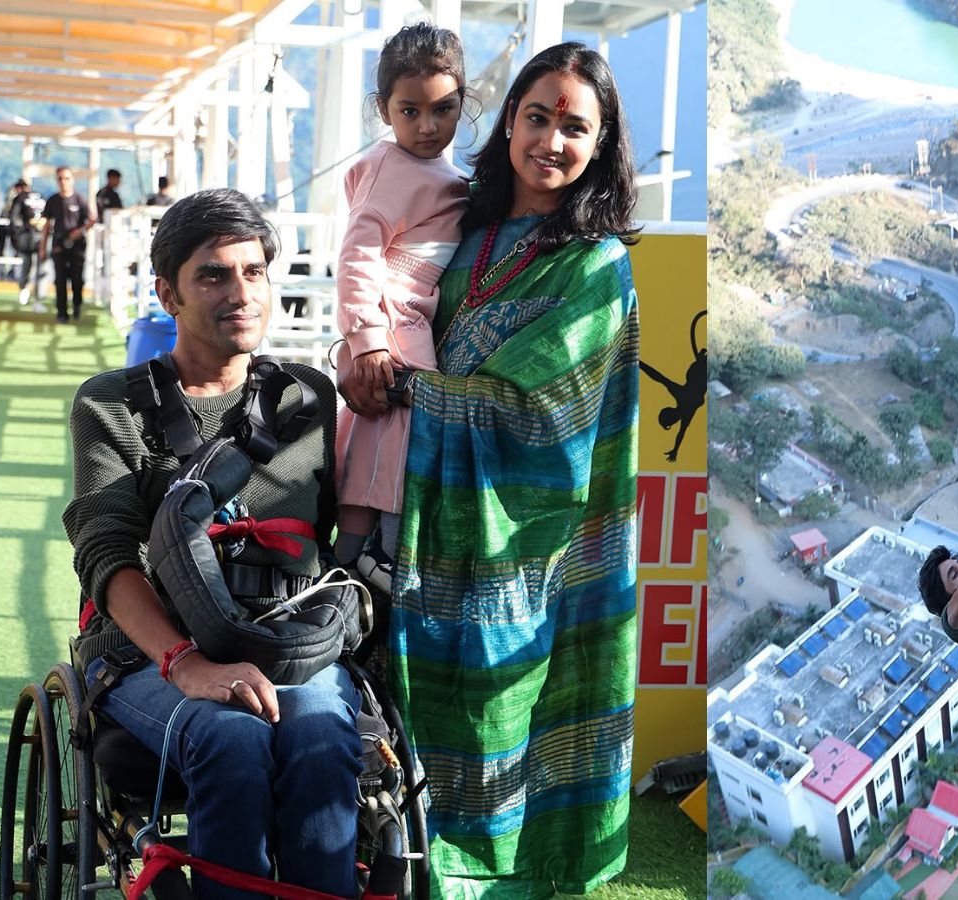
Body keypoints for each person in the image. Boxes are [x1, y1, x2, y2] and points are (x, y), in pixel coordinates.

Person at [345, 42, 641, 897]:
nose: (551, 140)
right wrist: (356, 352)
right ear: (507, 118)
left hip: (522, 542)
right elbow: (384, 285)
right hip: (410, 505)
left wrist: (411, 391)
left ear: (601, 141)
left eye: (575, 127)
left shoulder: (595, 263)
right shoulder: (463, 222)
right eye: (537, 116)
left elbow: (544, 418)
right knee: (391, 725)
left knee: (498, 718)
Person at [63, 188, 360, 900]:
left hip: (288, 638)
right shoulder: (111, 406)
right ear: (168, 291)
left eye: (254, 271)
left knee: (319, 739)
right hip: (150, 653)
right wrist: (185, 662)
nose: (242, 292)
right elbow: (106, 553)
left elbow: (351, 526)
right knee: (230, 739)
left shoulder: (307, 398)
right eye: (214, 274)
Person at [331, 22, 469, 589]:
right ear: (384, 110)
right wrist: (367, 339)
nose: (428, 125)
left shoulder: (440, 174)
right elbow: (358, 256)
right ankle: (378, 561)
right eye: (409, 110)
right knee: (396, 448)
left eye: (444, 109)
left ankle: (352, 562)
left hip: (408, 324)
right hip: (396, 329)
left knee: (374, 453)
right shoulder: (391, 168)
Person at [39, 167, 94, 323]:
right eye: (60, 179)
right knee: (60, 279)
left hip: (77, 246)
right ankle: (62, 312)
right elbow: (46, 226)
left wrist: (79, 231)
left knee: (77, 279)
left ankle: (77, 304)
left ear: (72, 180)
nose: (63, 182)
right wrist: (42, 247)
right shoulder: (52, 201)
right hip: (58, 244)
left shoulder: (80, 200)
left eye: (67, 178)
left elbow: (91, 220)